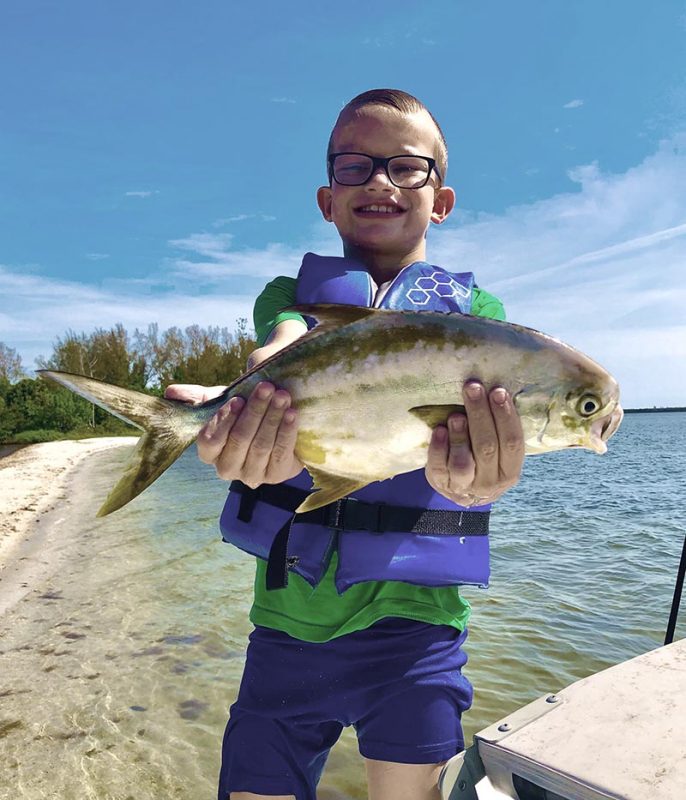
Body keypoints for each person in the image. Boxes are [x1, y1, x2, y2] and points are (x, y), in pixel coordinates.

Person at [166, 89, 525, 800]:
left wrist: (485, 481)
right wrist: (238, 401)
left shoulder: (480, 318)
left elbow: (484, 445)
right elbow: (286, 338)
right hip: (288, 621)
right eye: (356, 165)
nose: (380, 182)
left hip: (418, 630)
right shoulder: (288, 295)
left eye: (406, 166)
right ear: (328, 199)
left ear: (442, 199)